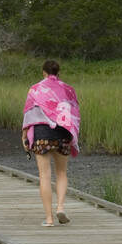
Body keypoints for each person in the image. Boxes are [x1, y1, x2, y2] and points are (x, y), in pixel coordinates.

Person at [22, 59, 80, 226]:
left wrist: (25, 134)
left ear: (44, 73)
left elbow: (29, 114)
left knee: (44, 176)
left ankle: (49, 219)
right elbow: (74, 113)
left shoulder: (35, 89)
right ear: (58, 73)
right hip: (62, 132)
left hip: (41, 134)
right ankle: (60, 207)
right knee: (61, 173)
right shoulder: (68, 90)